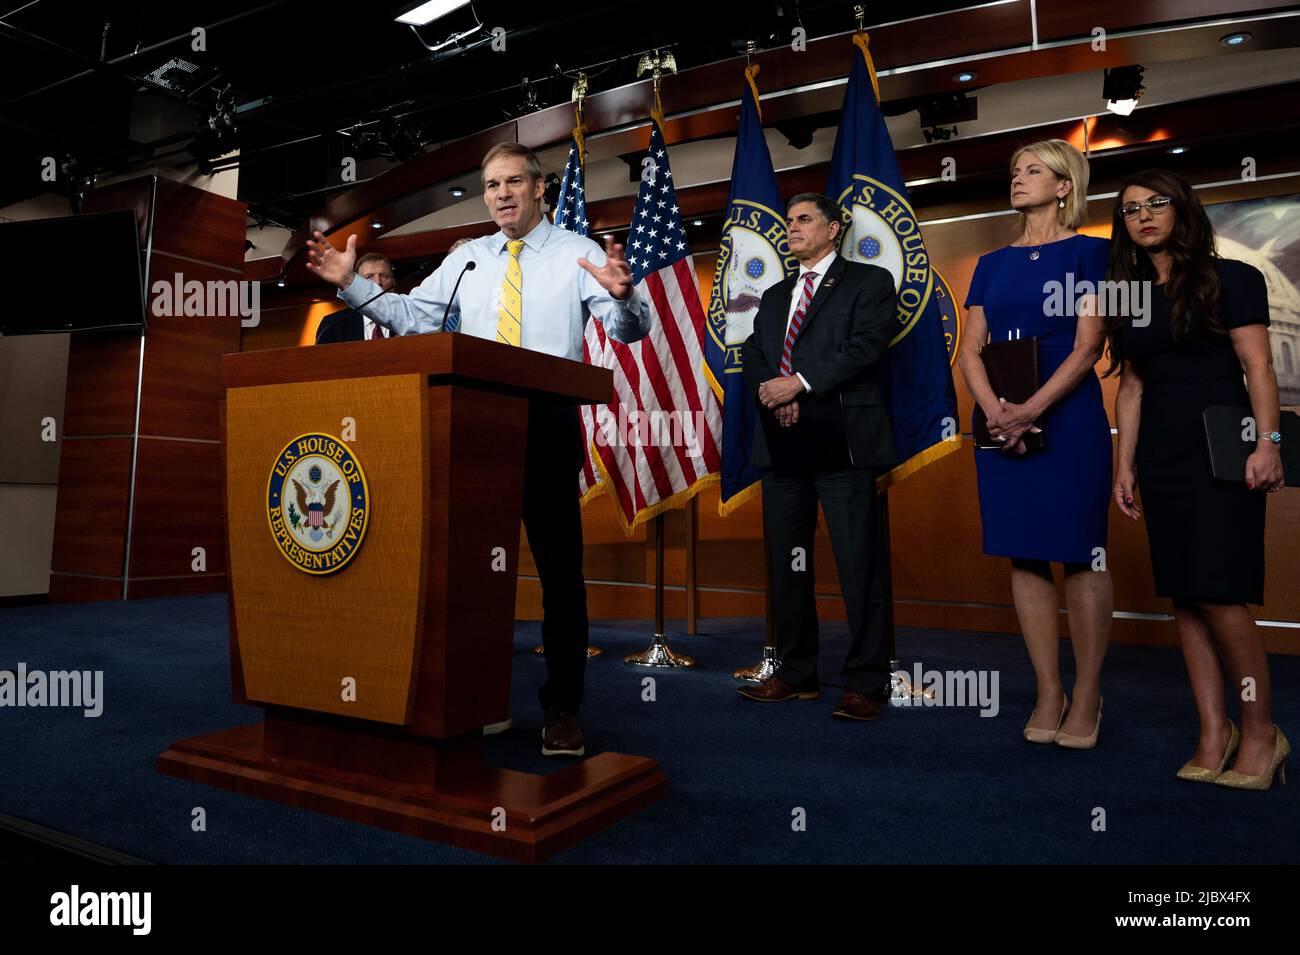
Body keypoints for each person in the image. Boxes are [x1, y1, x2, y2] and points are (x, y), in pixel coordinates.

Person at [305, 142, 651, 757]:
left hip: (545, 424)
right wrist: (352, 285)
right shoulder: (468, 261)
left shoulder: (578, 253)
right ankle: (472, 700)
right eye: (492, 186)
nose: (501, 195)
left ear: (539, 188)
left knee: (559, 576)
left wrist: (625, 299)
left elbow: (624, 330)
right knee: (466, 574)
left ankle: (562, 709)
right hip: (473, 426)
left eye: (514, 182)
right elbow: (414, 316)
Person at [1106, 169, 1289, 788]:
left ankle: (1262, 731)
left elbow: (1258, 365)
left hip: (1223, 444)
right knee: (1185, 593)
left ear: (1183, 210)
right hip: (1160, 450)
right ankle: (1213, 732)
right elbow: (1130, 385)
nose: (1145, 216)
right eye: (1132, 210)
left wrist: (1269, 443)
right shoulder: (1125, 294)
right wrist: (1123, 465)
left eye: (1158, 204)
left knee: (1219, 591)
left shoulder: (1231, 276)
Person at [956, 139, 1113, 747]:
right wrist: (997, 410)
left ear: (1065, 186)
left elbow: (1087, 345)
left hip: (1067, 415)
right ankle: (1049, 689)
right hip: (997, 413)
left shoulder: (1092, 253)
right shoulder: (991, 263)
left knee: (1080, 551)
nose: (1018, 179)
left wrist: (1032, 409)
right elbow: (970, 348)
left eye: (1033, 171)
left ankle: (1090, 693)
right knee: (1024, 551)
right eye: (1014, 170)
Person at [736, 192, 898, 721]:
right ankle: (796, 673)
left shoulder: (869, 283)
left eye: (804, 220)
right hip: (782, 442)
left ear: (833, 230)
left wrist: (798, 385)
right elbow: (756, 354)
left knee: (859, 565)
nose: (793, 228)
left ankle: (866, 684)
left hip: (843, 441)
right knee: (788, 565)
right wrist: (774, 392)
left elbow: (864, 347)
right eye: (788, 221)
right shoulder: (775, 294)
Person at [314, 253, 397, 343]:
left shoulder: (411, 318)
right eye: (369, 277)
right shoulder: (332, 325)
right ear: (357, 285)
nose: (377, 282)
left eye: (384, 276)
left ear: (393, 283)